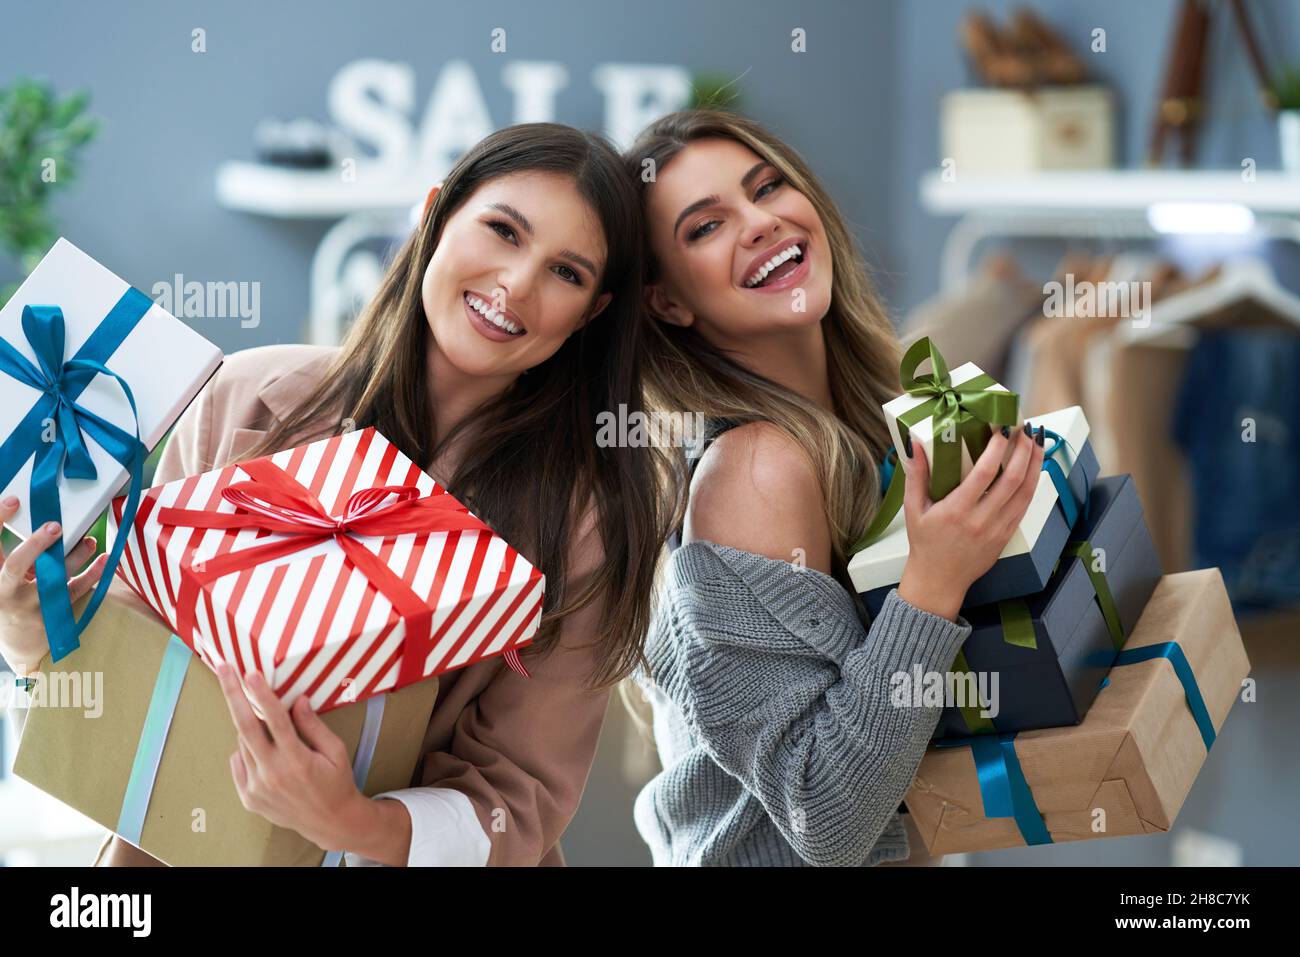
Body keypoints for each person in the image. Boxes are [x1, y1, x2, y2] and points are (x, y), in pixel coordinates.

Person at [0, 122, 676, 867]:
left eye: (566, 273)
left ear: (592, 312)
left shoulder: (584, 523)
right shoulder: (243, 397)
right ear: (434, 214)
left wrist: (353, 822)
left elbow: (517, 797)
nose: (516, 283)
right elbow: (144, 663)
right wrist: (38, 636)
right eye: (502, 230)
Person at [623, 109, 1045, 866]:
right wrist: (934, 580)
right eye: (706, 227)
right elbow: (824, 816)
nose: (759, 222)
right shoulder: (757, 469)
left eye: (767, 187)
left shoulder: (867, 415)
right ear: (667, 302)